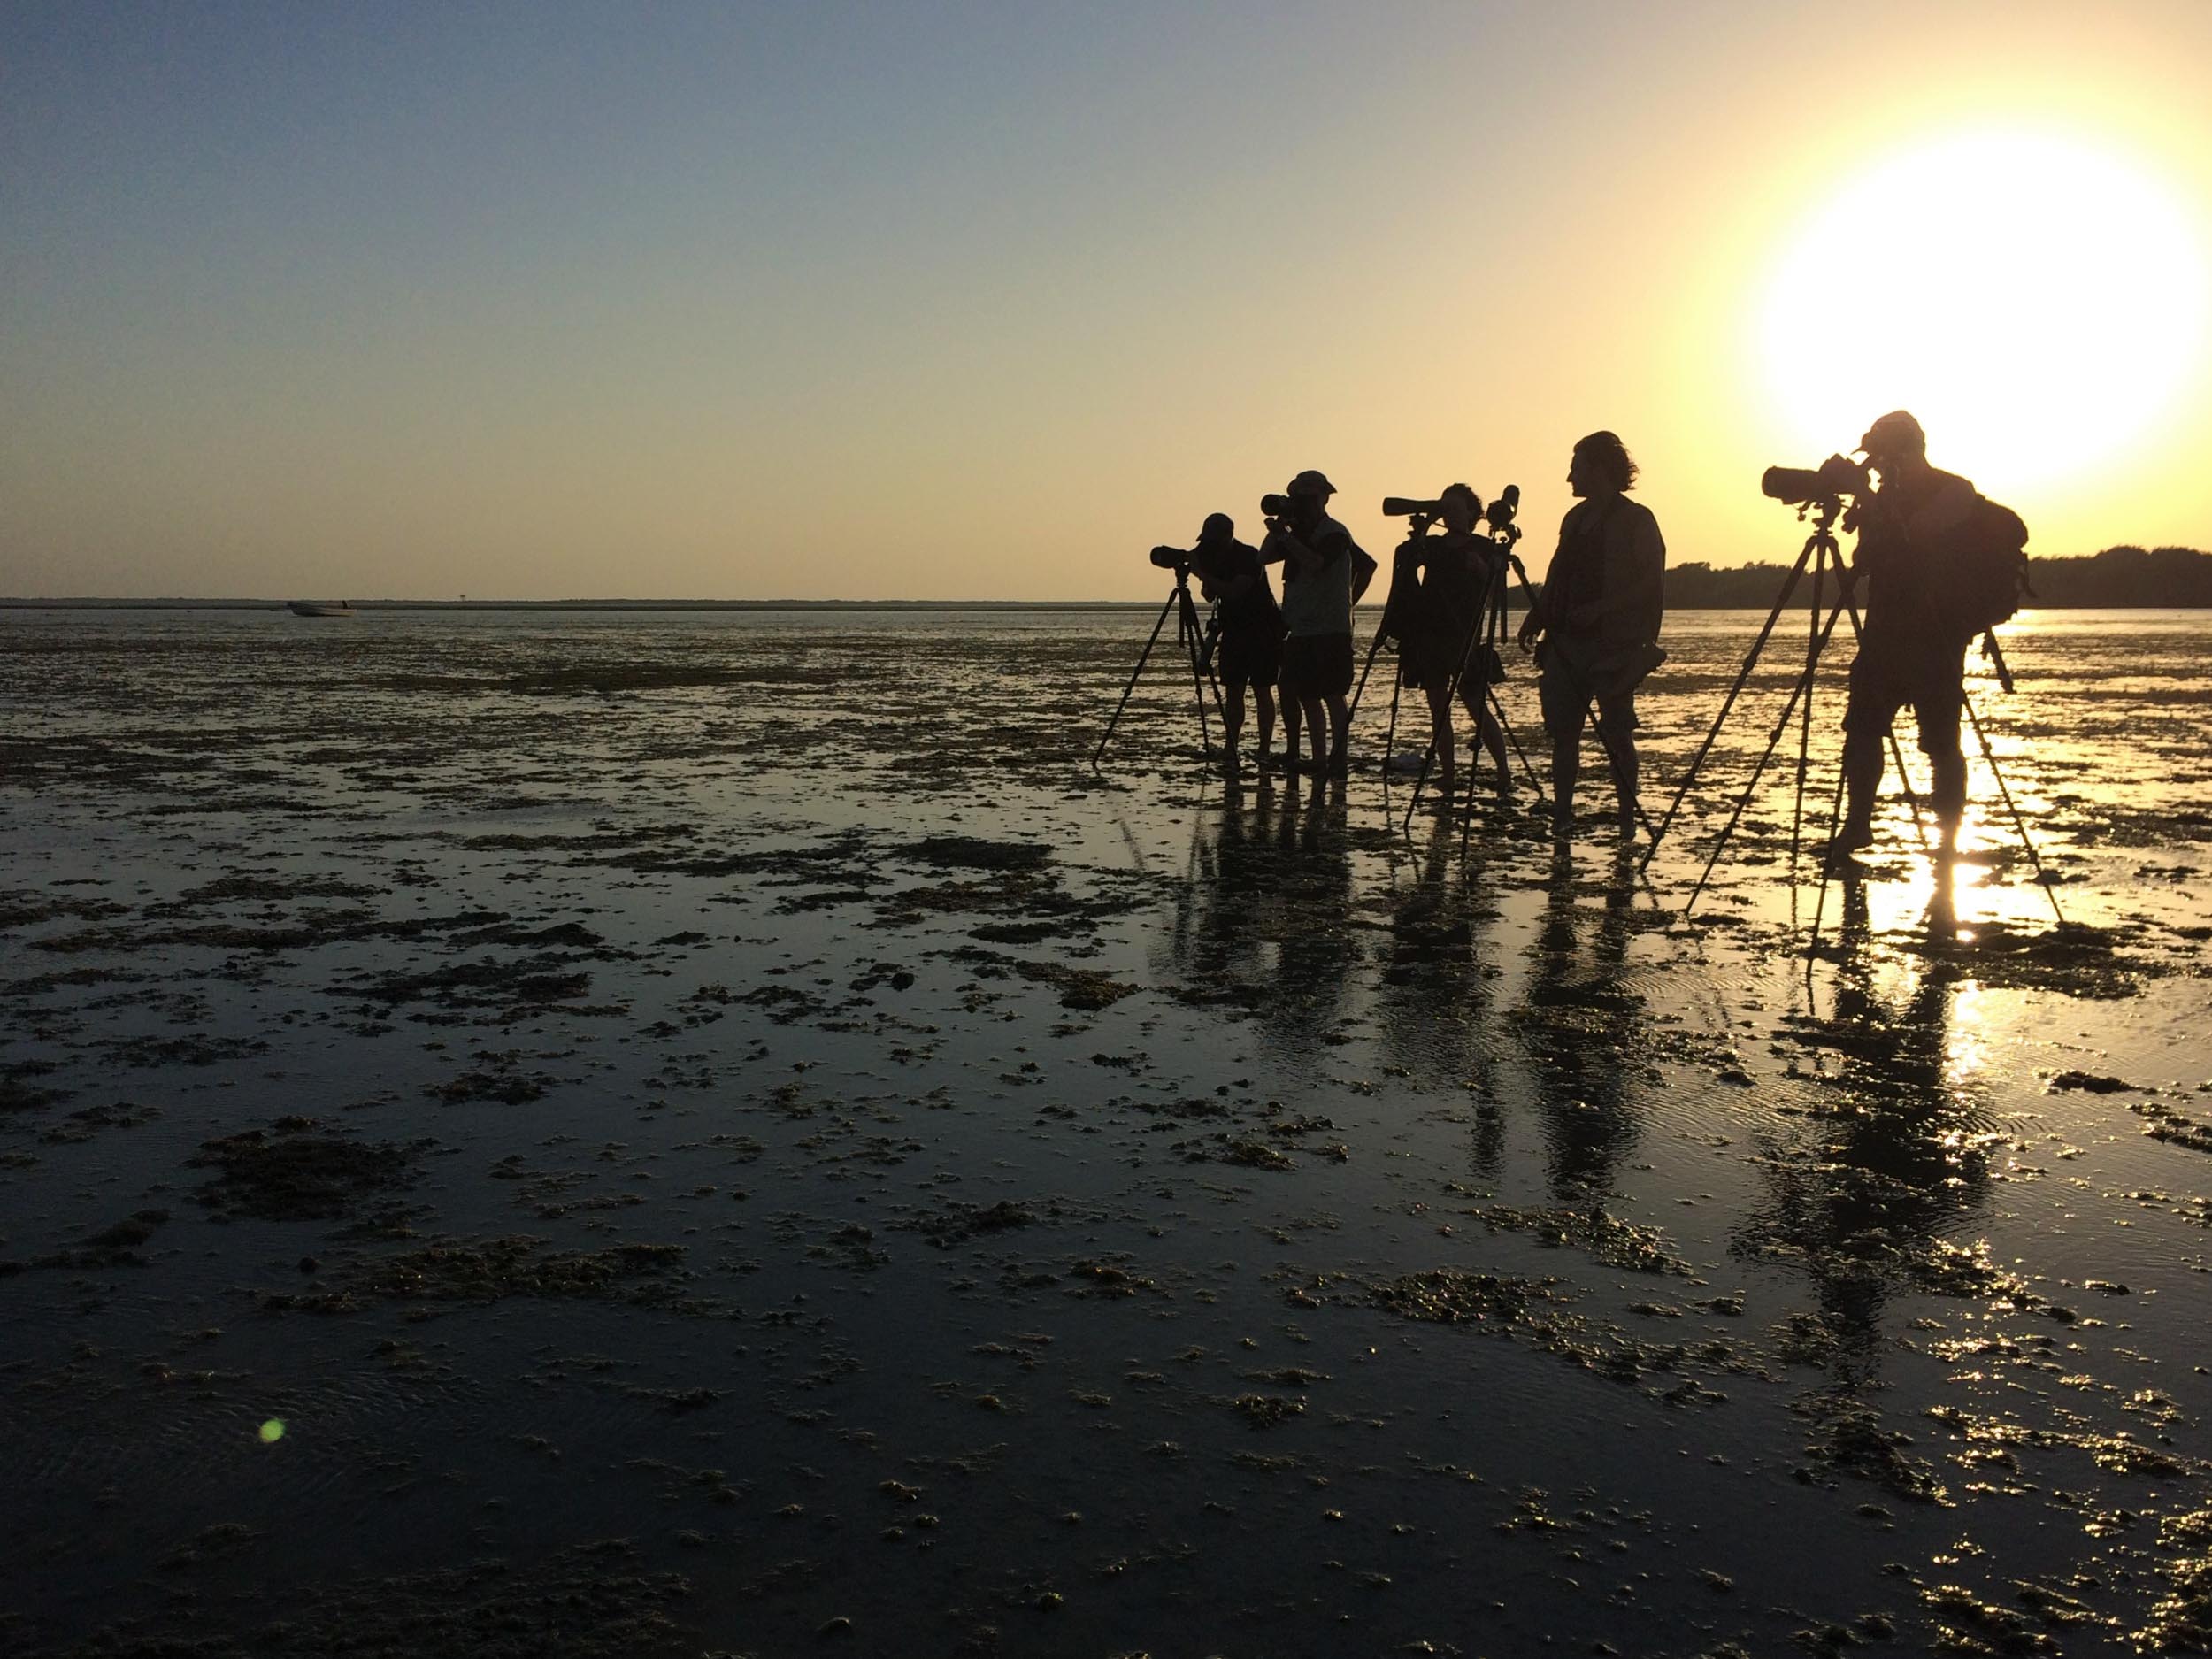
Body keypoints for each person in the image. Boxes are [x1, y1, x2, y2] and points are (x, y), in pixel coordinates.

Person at [1827, 409, 1978, 860]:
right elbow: (1867, 558)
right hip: (1884, 634)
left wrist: (1867, 500)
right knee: (1861, 729)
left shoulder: (1954, 491)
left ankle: (1948, 841)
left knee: (1941, 744)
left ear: (1909, 449)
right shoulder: (1880, 498)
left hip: (1936, 637)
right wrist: (1863, 504)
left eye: (1882, 453)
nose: (1875, 463)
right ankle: (1858, 825)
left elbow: (1914, 536)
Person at [1517, 431, 1665, 841]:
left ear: (1599, 470)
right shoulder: (1574, 520)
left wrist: (1602, 609)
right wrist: (1539, 614)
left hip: (1614, 646)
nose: (1569, 477)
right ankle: (1562, 817)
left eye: (1577, 467)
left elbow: (1651, 583)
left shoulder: (1638, 519)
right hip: (1565, 643)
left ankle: (1626, 821)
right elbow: (1556, 573)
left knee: (1618, 733)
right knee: (1563, 735)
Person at [1394, 484, 1512, 806]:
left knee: (1476, 706)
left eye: (1456, 508)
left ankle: (1503, 771)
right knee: (1438, 708)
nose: (1450, 514)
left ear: (1472, 514)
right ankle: (1449, 774)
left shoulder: (1484, 547)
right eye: (1445, 508)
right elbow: (1408, 567)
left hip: (1465, 634)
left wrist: (1483, 568)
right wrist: (1421, 530)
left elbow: (1496, 590)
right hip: (1432, 633)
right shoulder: (1432, 545)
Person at [1263, 470, 1363, 780]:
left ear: (1323, 498)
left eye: (1306, 498)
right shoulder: (1296, 533)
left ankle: (1338, 756)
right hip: (1300, 627)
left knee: (1333, 694)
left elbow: (1316, 563)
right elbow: (1264, 557)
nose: (1302, 504)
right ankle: (1319, 757)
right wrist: (1279, 529)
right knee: (1306, 694)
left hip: (1330, 627)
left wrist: (1287, 537)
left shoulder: (1335, 532)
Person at [1188, 511, 1286, 774]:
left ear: (1227, 535)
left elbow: (1234, 591)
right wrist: (1203, 572)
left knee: (1262, 690)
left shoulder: (1249, 556)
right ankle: (1232, 746)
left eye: (1212, 539)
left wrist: (1201, 573)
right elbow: (1210, 595)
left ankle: (1264, 749)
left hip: (1262, 630)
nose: (1208, 545)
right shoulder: (1211, 554)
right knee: (1234, 690)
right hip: (1233, 631)